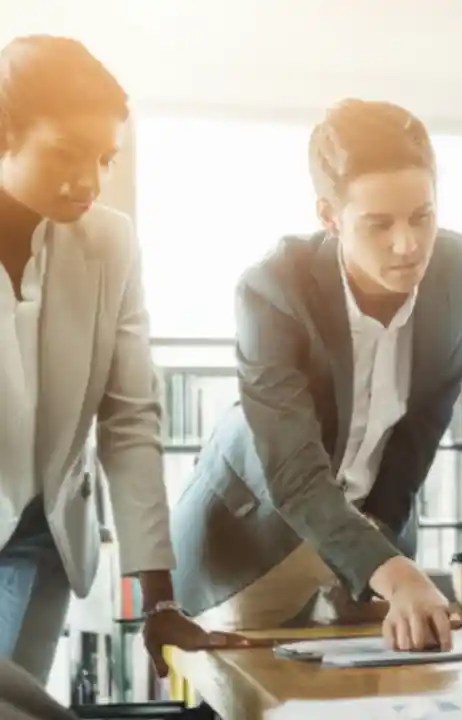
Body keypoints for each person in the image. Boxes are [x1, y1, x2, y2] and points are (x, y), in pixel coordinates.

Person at [170, 98, 462, 652]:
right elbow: (292, 472)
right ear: (329, 216)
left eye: (422, 216)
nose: (408, 244)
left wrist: (376, 563)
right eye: (378, 224)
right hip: (256, 539)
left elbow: (418, 438)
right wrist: (393, 573)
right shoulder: (273, 289)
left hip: (373, 534)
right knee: (261, 698)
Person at [0, 35, 248, 684]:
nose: (89, 180)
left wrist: (159, 598)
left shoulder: (110, 243)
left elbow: (130, 420)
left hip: (36, 534)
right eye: (66, 153)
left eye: (104, 158)